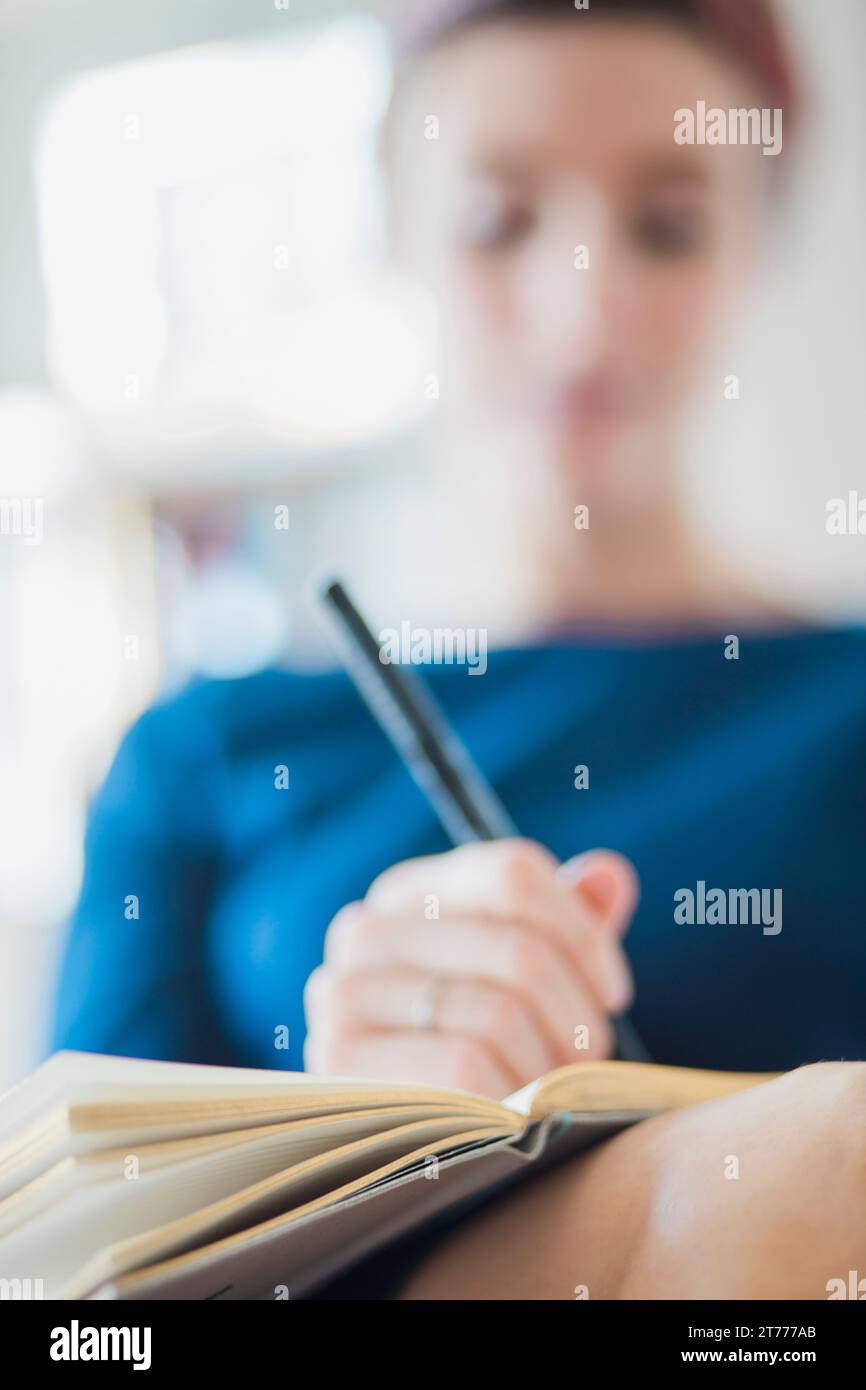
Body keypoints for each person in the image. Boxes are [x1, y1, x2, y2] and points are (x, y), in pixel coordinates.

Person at [50, 0, 866, 1298]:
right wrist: (357, 1151)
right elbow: (80, 1302)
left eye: (664, 224)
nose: (581, 305)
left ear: (758, 248)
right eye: (498, 220)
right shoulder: (200, 753)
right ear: (399, 240)